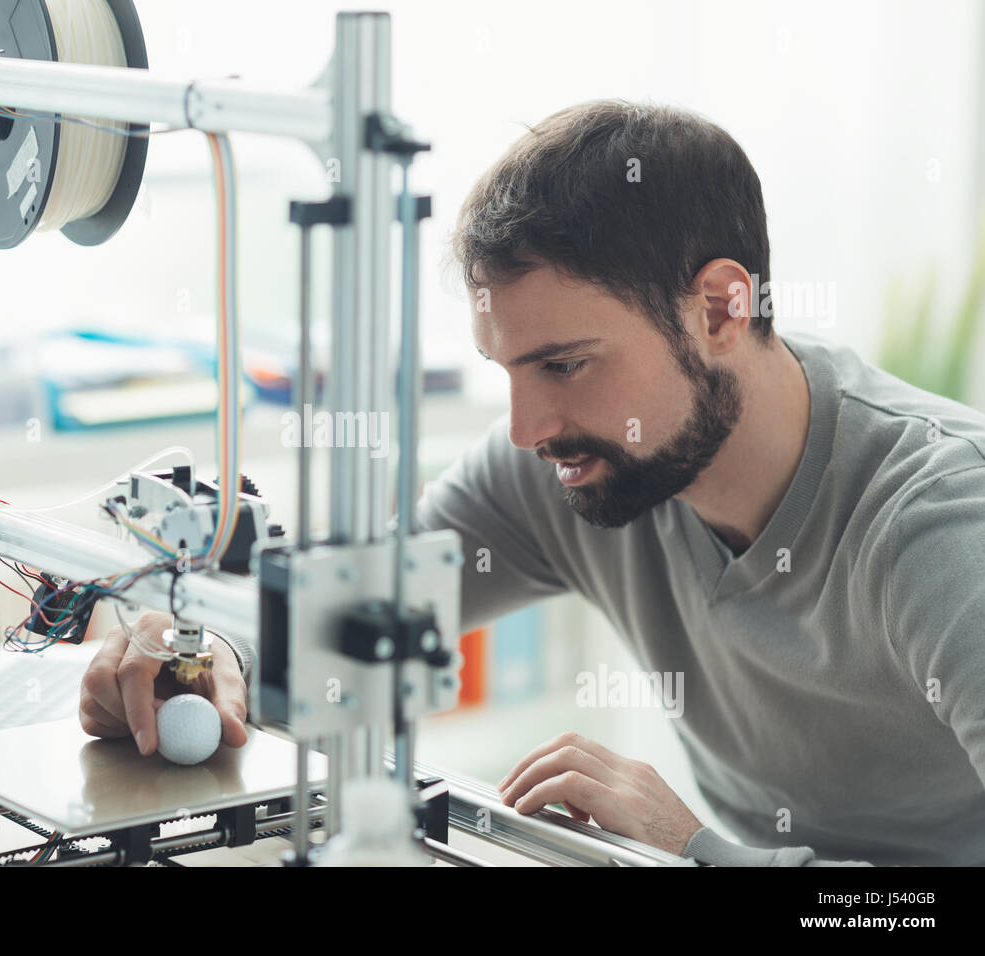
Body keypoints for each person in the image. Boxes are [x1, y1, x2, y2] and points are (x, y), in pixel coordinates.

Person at [79, 99, 985, 866]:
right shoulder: (574, 462)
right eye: (507, 370)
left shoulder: (940, 527)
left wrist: (700, 850)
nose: (527, 430)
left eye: (564, 364)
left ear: (718, 308)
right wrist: (206, 660)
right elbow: (358, 620)